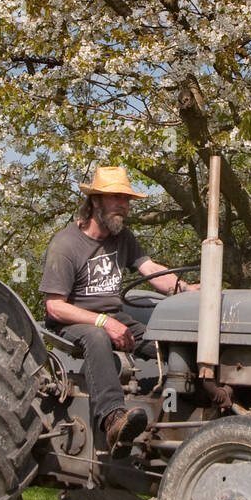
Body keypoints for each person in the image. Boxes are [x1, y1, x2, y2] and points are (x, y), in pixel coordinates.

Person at [39, 165, 197, 453]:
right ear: (95, 201)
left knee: (168, 343)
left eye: (126, 200)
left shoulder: (123, 237)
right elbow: (54, 306)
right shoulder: (65, 245)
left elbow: (150, 270)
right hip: (72, 320)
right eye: (115, 198)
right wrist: (103, 322)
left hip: (113, 316)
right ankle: (112, 420)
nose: (123, 207)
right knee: (97, 337)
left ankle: (187, 406)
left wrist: (186, 289)